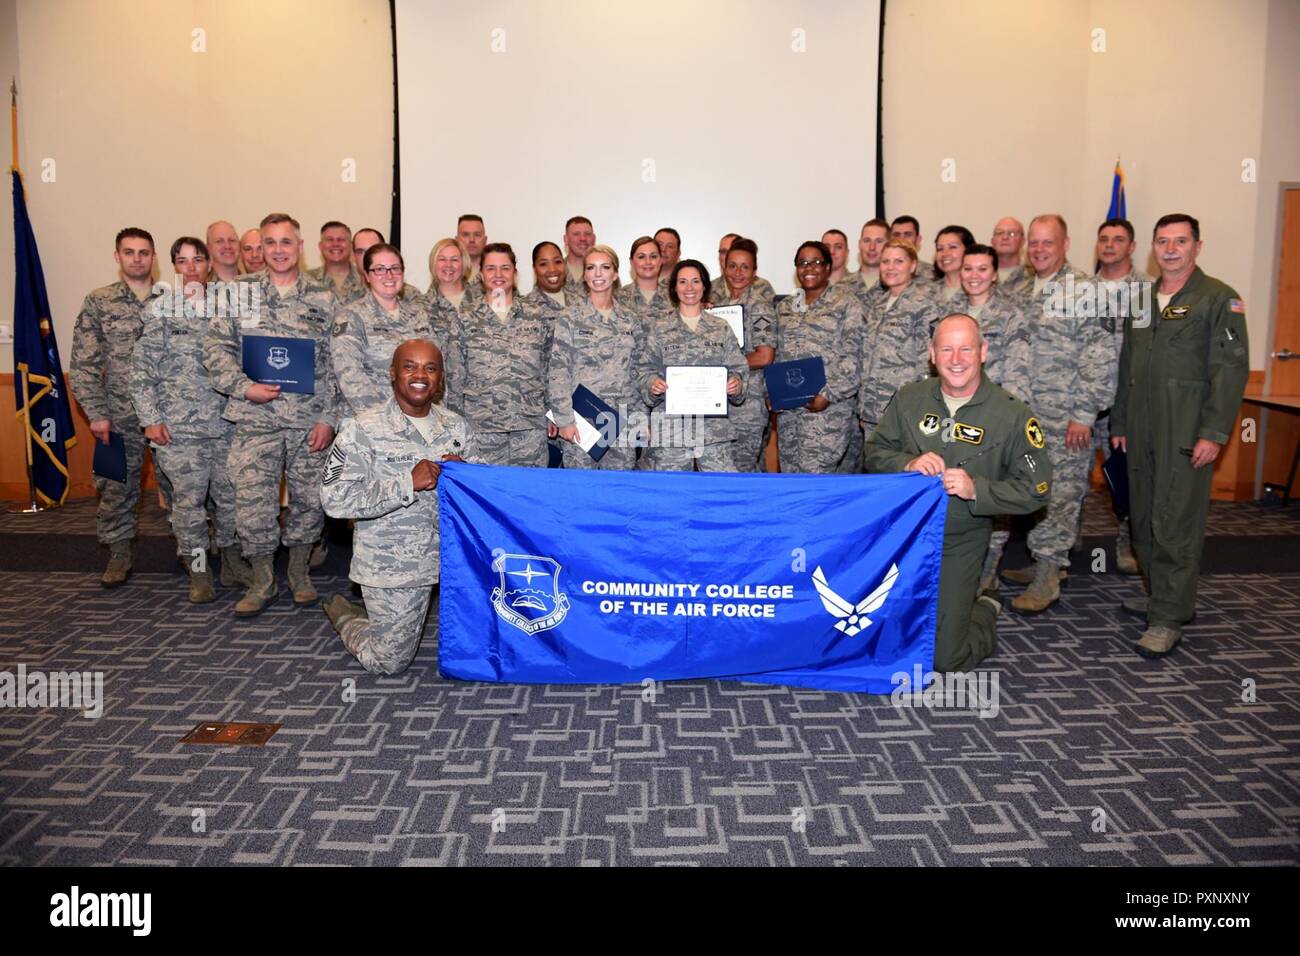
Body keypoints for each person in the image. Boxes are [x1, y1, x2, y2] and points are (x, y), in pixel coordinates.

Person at [865, 314, 1053, 671]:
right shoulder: (909, 399)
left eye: (966, 348)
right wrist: (907, 463)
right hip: (904, 537)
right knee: (875, 639)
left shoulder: (1011, 414)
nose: (956, 359)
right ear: (932, 355)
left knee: (945, 658)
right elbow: (873, 453)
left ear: (983, 352)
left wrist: (976, 489)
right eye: (946, 349)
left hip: (960, 540)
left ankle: (985, 607)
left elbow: (1037, 490)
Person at [1111, 214, 1249, 658]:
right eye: (1163, 241)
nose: (1171, 249)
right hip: (1140, 428)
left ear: (1197, 247)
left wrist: (1214, 431)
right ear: (1153, 247)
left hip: (1186, 431)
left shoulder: (1218, 299)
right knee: (1144, 517)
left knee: (1176, 522)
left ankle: (1169, 616)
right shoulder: (1142, 299)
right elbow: (1127, 369)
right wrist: (1119, 424)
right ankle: (1161, 596)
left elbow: (1229, 370)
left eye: (1180, 241)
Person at [204, 212, 341, 616]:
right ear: (259, 248)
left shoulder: (324, 297)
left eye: (286, 242)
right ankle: (263, 579)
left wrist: (327, 418)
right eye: (270, 243)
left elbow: (336, 364)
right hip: (253, 418)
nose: (278, 250)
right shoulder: (237, 292)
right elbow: (216, 351)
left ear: (300, 247)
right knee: (252, 502)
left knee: (309, 500)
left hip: (307, 420)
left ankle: (299, 573)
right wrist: (244, 387)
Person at [321, 339, 473, 675]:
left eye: (430, 368)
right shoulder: (362, 429)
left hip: (454, 559)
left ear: (441, 378)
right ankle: (347, 616)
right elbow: (334, 499)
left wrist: (468, 473)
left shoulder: (457, 427)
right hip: (395, 563)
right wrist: (406, 482)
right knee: (389, 662)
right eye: (410, 366)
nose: (421, 375)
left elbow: (481, 497)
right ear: (393, 373)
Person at [129, 236, 251, 602]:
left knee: (230, 501)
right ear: (174, 268)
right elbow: (140, 371)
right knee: (189, 504)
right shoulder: (160, 311)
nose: (192, 267)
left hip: (226, 424)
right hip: (180, 430)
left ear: (209, 263)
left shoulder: (229, 308)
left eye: (198, 259)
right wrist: (150, 420)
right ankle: (198, 570)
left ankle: (231, 563)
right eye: (183, 261)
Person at [1006, 214, 1109, 614]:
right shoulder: (1019, 288)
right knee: (1034, 490)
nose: (1039, 249)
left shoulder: (1086, 289)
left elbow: (1100, 357)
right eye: (1034, 242)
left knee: (1063, 494)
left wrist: (1084, 413)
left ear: (1066, 243)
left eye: (1048, 242)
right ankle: (1041, 562)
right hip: (1025, 418)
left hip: (1066, 418)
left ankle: (1049, 575)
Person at [69, 227, 165, 587]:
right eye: (129, 252)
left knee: (179, 488)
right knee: (114, 487)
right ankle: (119, 554)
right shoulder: (99, 301)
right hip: (117, 414)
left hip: (167, 414)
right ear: (117, 257)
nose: (137, 259)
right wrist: (96, 412)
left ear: (153, 256)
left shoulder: (172, 300)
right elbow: (84, 364)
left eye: (143, 252)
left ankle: (193, 557)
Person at [953, 243, 1034, 591]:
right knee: (956, 494)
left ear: (995, 274)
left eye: (982, 269)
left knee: (991, 498)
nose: (974, 276)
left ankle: (986, 576)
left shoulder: (1013, 314)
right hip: (953, 420)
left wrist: (1001, 421)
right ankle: (961, 571)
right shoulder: (949, 313)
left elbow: (1019, 374)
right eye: (968, 269)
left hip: (993, 421)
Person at [444, 242, 551, 466]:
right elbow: (454, 379)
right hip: (482, 429)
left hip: (529, 427)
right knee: (486, 497)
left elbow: (550, 371)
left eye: (505, 267)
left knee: (529, 497)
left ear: (515, 272)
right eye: (491, 268)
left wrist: (553, 414)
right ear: (481, 274)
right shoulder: (464, 319)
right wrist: (455, 427)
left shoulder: (538, 316)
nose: (498, 274)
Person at [640, 259, 747, 471]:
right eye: (682, 282)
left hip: (713, 432)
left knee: (720, 494)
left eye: (696, 281)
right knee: (671, 497)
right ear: (674, 288)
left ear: (705, 286)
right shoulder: (659, 328)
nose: (689, 288)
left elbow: (738, 368)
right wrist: (653, 384)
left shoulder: (721, 327)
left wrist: (735, 384)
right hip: (671, 432)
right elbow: (644, 369)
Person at [549, 245, 648, 471]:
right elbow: (558, 372)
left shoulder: (631, 320)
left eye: (605, 267)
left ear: (615, 274)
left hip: (621, 422)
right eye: (591, 268)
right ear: (584, 275)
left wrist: (640, 419)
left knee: (619, 493)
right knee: (581, 494)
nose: (598, 274)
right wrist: (564, 420)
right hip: (581, 422)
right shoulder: (569, 318)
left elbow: (638, 372)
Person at [1094, 217, 1153, 576]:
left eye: (1118, 239)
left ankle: (1126, 544)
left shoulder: (1149, 291)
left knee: (1125, 477)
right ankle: (1062, 550)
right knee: (1070, 480)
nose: (1110, 245)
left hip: (1126, 403)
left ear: (1132, 247)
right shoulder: (1081, 289)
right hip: (1085, 403)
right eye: (1103, 239)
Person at [774, 241, 864, 474]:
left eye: (816, 262)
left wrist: (828, 394)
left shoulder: (846, 303)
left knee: (815, 480)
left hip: (826, 412)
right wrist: (772, 393)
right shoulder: (785, 306)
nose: (809, 268)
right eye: (802, 263)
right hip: (789, 415)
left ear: (827, 267)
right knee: (791, 481)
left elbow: (853, 357)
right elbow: (777, 355)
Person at [333, 243, 446, 418]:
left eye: (395, 268)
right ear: (367, 276)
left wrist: (430, 417)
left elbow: (435, 368)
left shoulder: (418, 314)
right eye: (379, 269)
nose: (389, 275)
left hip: (420, 419)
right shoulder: (350, 317)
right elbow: (350, 376)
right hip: (371, 423)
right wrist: (391, 420)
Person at [857, 239, 943, 443]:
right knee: (877, 470)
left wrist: (920, 407)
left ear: (913, 265)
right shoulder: (877, 305)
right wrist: (864, 407)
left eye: (898, 261)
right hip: (872, 410)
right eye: (885, 261)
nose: (890, 267)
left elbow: (929, 361)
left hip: (905, 409)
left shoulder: (924, 305)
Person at [709, 238, 776, 471]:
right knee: (722, 471)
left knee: (742, 474)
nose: (738, 272)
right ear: (724, 267)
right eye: (733, 266)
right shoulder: (717, 306)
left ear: (754, 271)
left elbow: (765, 356)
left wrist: (726, 365)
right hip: (719, 402)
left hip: (747, 404)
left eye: (745, 267)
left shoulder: (760, 307)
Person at [352, 227, 421, 302]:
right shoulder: (348, 296)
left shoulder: (410, 295)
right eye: (360, 252)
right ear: (353, 256)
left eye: (373, 250)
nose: (366, 256)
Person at [423, 237, 479, 329]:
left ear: (464, 264)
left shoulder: (483, 301)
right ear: (433, 263)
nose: (448, 265)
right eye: (442, 259)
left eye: (454, 260)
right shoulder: (419, 307)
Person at [307, 220, 365, 301]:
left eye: (341, 239)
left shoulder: (366, 279)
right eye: (329, 239)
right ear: (321, 246)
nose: (335, 244)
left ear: (351, 246)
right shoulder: (305, 280)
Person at [616, 235, 672, 318]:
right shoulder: (617, 298)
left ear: (660, 260)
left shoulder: (675, 297)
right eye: (641, 257)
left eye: (653, 256)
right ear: (632, 262)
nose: (648, 262)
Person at [718, 232, 776, 299]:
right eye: (724, 251)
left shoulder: (762, 286)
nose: (729, 256)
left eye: (734, 250)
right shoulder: (709, 288)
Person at [521, 240, 570, 317]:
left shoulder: (583, 300)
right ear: (534, 268)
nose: (552, 269)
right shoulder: (522, 309)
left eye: (557, 262)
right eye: (543, 264)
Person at [930, 225, 976, 305]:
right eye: (940, 249)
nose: (945, 253)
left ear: (969, 250)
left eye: (952, 247)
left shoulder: (979, 292)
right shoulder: (925, 292)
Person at [845, 218, 890, 299]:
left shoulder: (897, 286)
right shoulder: (841, 286)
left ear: (889, 245)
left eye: (879, 241)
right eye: (867, 240)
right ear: (859, 244)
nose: (872, 247)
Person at [890, 215, 933, 282]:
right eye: (897, 235)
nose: (902, 239)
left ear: (918, 240)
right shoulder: (884, 272)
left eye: (908, 235)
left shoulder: (933, 274)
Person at [991, 217, 1029, 289]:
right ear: (993, 241)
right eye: (999, 233)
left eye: (1012, 233)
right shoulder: (981, 275)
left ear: (1022, 241)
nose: (1005, 237)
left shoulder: (1034, 276)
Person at [563, 216, 597, 293]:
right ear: (566, 239)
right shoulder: (555, 271)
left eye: (587, 234)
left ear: (594, 239)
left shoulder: (605, 271)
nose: (583, 238)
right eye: (576, 234)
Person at [456, 214, 487, 279]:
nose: (472, 240)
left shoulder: (498, 274)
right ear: (457, 240)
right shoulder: (448, 273)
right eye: (466, 235)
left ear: (485, 240)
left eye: (477, 235)